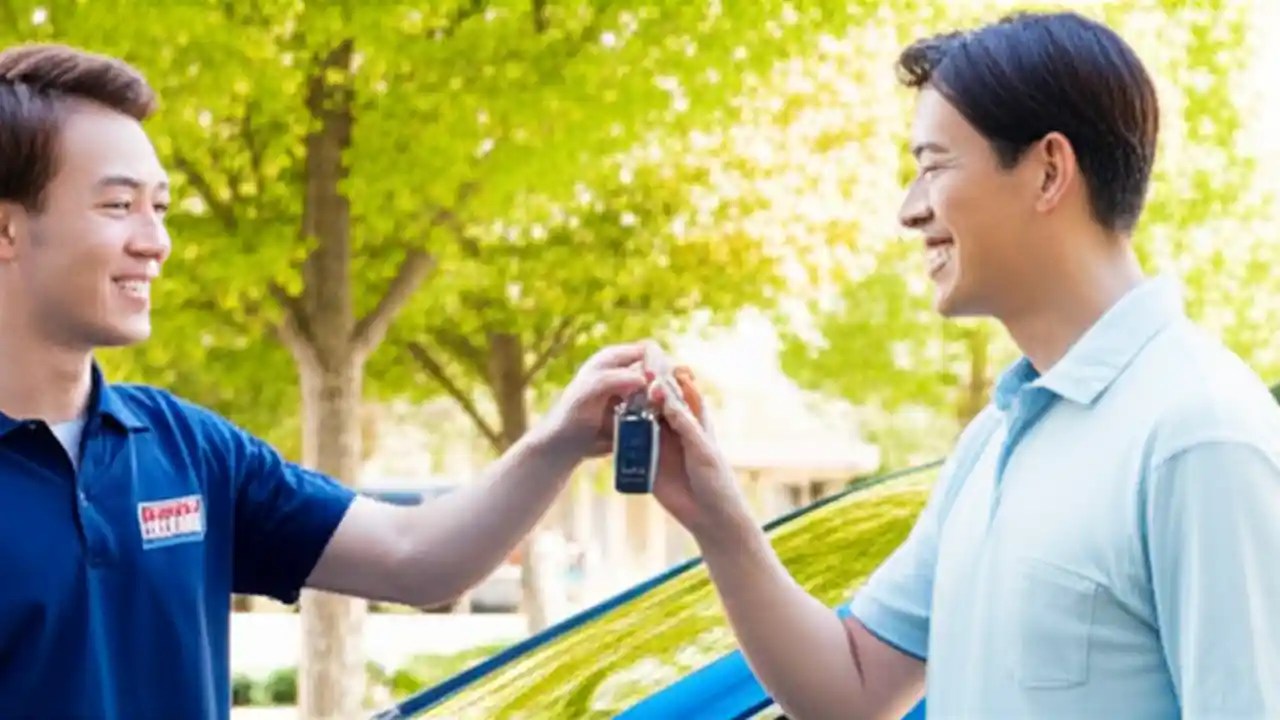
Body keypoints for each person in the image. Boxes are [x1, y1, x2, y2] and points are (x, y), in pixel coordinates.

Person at [648, 11, 1280, 720]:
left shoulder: (1198, 434)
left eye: (934, 166)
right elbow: (850, 694)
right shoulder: (995, 440)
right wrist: (714, 513)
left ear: (1048, 172)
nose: (910, 211)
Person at [0, 44, 653, 719]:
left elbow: (417, 558)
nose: (156, 241)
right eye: (118, 206)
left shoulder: (189, 451)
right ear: (7, 228)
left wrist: (560, 439)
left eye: (159, 207)